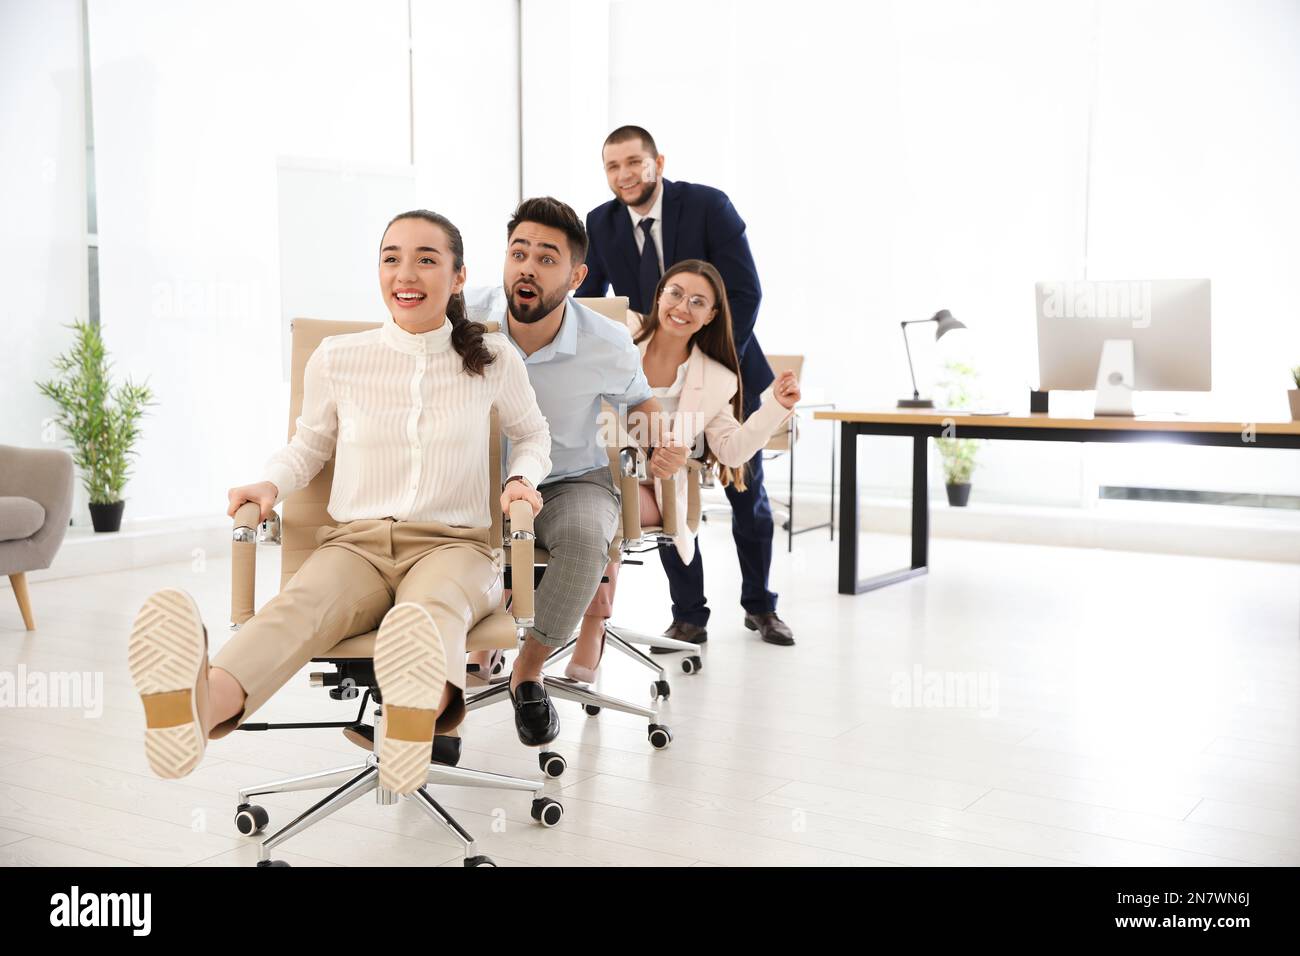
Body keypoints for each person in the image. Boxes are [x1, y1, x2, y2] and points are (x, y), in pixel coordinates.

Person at [126, 209, 550, 796]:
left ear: (457, 277)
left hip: (455, 544)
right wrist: (269, 484)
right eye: (391, 257)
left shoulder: (495, 357)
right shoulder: (338, 357)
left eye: (427, 259)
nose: (406, 272)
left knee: (428, 614)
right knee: (295, 610)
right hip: (357, 545)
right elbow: (309, 446)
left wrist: (520, 480)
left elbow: (532, 435)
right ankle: (192, 712)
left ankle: (409, 723)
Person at [463, 196, 684, 742]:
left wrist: (662, 441)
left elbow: (639, 407)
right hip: (474, 482)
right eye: (519, 253)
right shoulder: (462, 317)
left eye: (546, 258)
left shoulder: (606, 342)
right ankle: (442, 686)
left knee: (588, 542)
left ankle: (528, 671)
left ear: (577, 275)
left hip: (568, 480)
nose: (528, 268)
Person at [577, 125, 795, 648]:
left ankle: (761, 607)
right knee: (665, 483)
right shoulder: (600, 223)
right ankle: (688, 615)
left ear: (658, 161)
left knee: (747, 492)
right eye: (613, 166)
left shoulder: (707, 207)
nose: (624, 175)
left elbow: (744, 291)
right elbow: (588, 304)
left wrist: (707, 364)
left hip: (726, 370)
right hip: (646, 377)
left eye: (634, 162)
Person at [566, 260, 800, 680]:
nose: (682, 307)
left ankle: (592, 621)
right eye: (675, 293)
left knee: (600, 510)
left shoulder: (717, 378)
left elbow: (731, 450)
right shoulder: (618, 333)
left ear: (711, 315)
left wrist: (776, 409)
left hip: (649, 488)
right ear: (658, 296)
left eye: (698, 301)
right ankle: (513, 620)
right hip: (579, 467)